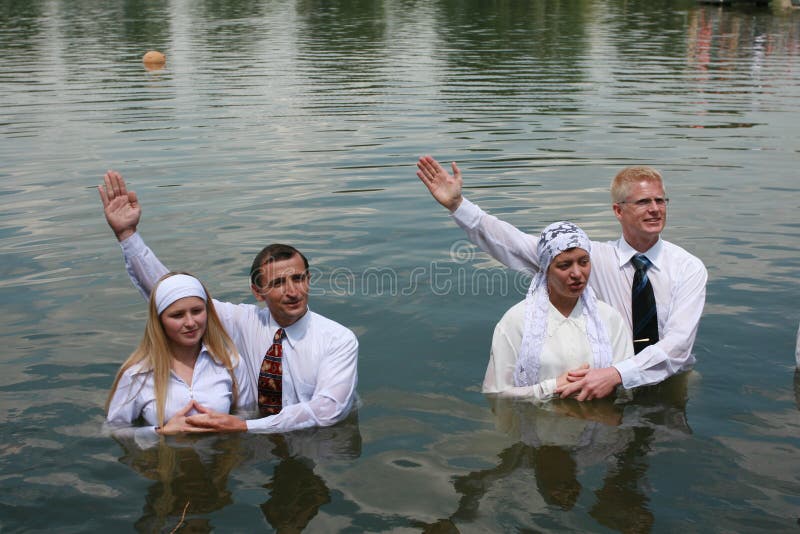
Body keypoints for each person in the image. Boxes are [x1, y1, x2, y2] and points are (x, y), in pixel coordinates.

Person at [416, 156, 707, 400]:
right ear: (618, 210)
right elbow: (513, 243)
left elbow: (678, 345)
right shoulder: (589, 258)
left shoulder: (688, 268)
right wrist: (459, 206)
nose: (655, 209)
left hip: (668, 379)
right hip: (604, 385)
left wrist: (617, 373)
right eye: (643, 202)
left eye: (660, 200)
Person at [99, 170, 358, 433]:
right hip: (255, 440)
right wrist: (128, 236)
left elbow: (328, 410)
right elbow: (173, 296)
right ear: (258, 292)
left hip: (317, 445)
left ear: (308, 279)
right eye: (279, 283)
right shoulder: (244, 322)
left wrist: (246, 426)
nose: (293, 291)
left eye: (298, 279)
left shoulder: (338, 339)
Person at [483, 221, 632, 400]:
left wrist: (605, 381)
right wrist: (551, 387)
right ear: (546, 269)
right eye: (564, 265)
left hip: (600, 416)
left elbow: (628, 381)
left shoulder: (609, 318)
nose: (577, 273)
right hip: (542, 418)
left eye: (583, 262)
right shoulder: (516, 321)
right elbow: (496, 393)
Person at [106, 272, 254, 443]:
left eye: (197, 311)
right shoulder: (137, 374)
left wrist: (230, 424)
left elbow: (248, 414)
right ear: (159, 321)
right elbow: (112, 430)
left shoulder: (230, 362)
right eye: (177, 315)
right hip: (165, 458)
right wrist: (160, 432)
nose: (190, 322)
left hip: (221, 456)